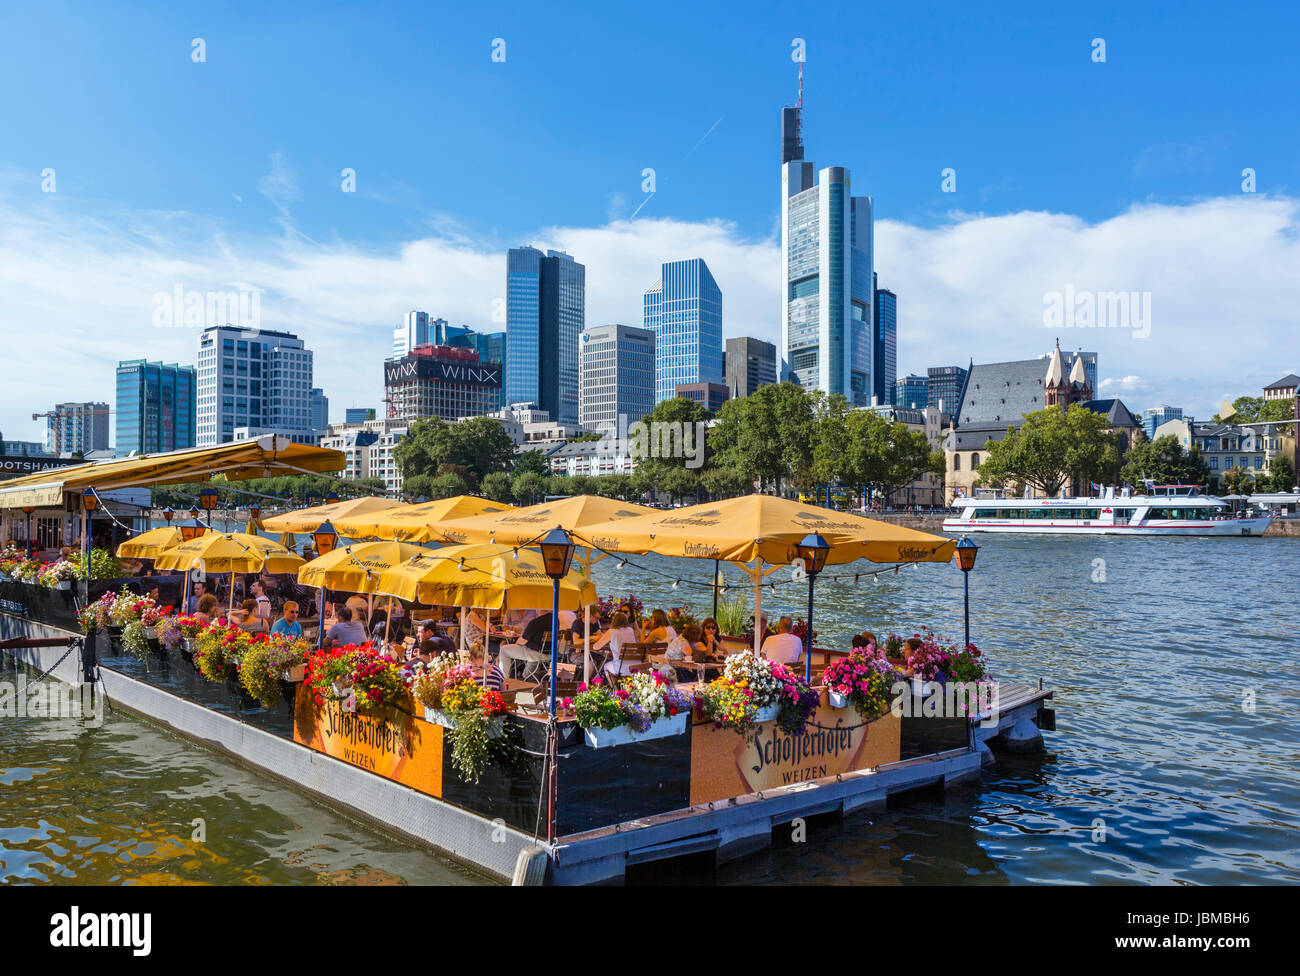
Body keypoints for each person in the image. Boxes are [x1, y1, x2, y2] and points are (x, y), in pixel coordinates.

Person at [595, 611, 638, 677]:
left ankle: (614, 687)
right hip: (636, 665)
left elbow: (596, 647)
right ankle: (618, 685)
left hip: (622, 667)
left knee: (606, 666)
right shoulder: (630, 630)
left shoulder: (612, 631)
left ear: (614, 621)